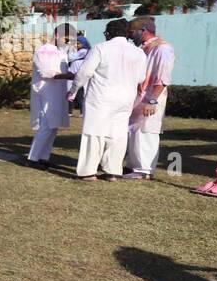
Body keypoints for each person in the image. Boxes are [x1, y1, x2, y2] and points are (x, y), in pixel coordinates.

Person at [72, 19, 146, 181]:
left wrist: (73, 90)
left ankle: (88, 171)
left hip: (101, 97)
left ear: (108, 33)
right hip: (125, 98)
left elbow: (84, 72)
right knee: (118, 134)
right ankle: (112, 170)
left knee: (94, 132)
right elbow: (141, 77)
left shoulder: (100, 48)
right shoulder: (138, 52)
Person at [124, 16, 175, 181]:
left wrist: (152, 100)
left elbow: (163, 77)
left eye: (132, 32)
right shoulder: (144, 48)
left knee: (147, 132)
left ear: (143, 31)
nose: (130, 36)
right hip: (140, 97)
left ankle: (144, 169)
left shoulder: (162, 48)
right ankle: (133, 165)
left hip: (151, 98)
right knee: (135, 131)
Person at [26, 24, 77, 168]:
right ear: (57, 35)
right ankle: (32, 158)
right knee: (46, 125)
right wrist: (70, 76)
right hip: (46, 93)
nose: (68, 42)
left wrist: (70, 76)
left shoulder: (60, 52)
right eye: (66, 39)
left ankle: (44, 157)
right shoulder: (44, 51)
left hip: (57, 93)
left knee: (53, 126)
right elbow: (46, 72)